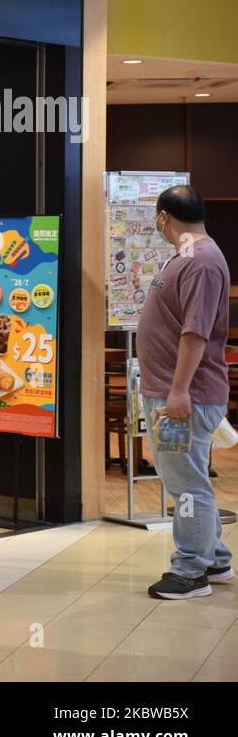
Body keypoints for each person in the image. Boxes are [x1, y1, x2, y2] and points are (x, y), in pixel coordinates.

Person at [138, 184, 232, 600]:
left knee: (185, 485)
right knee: (188, 478)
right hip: (174, 395)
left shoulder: (202, 261)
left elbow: (195, 333)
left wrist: (178, 392)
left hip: (182, 400)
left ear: (164, 218)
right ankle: (213, 556)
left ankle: (191, 570)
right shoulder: (190, 256)